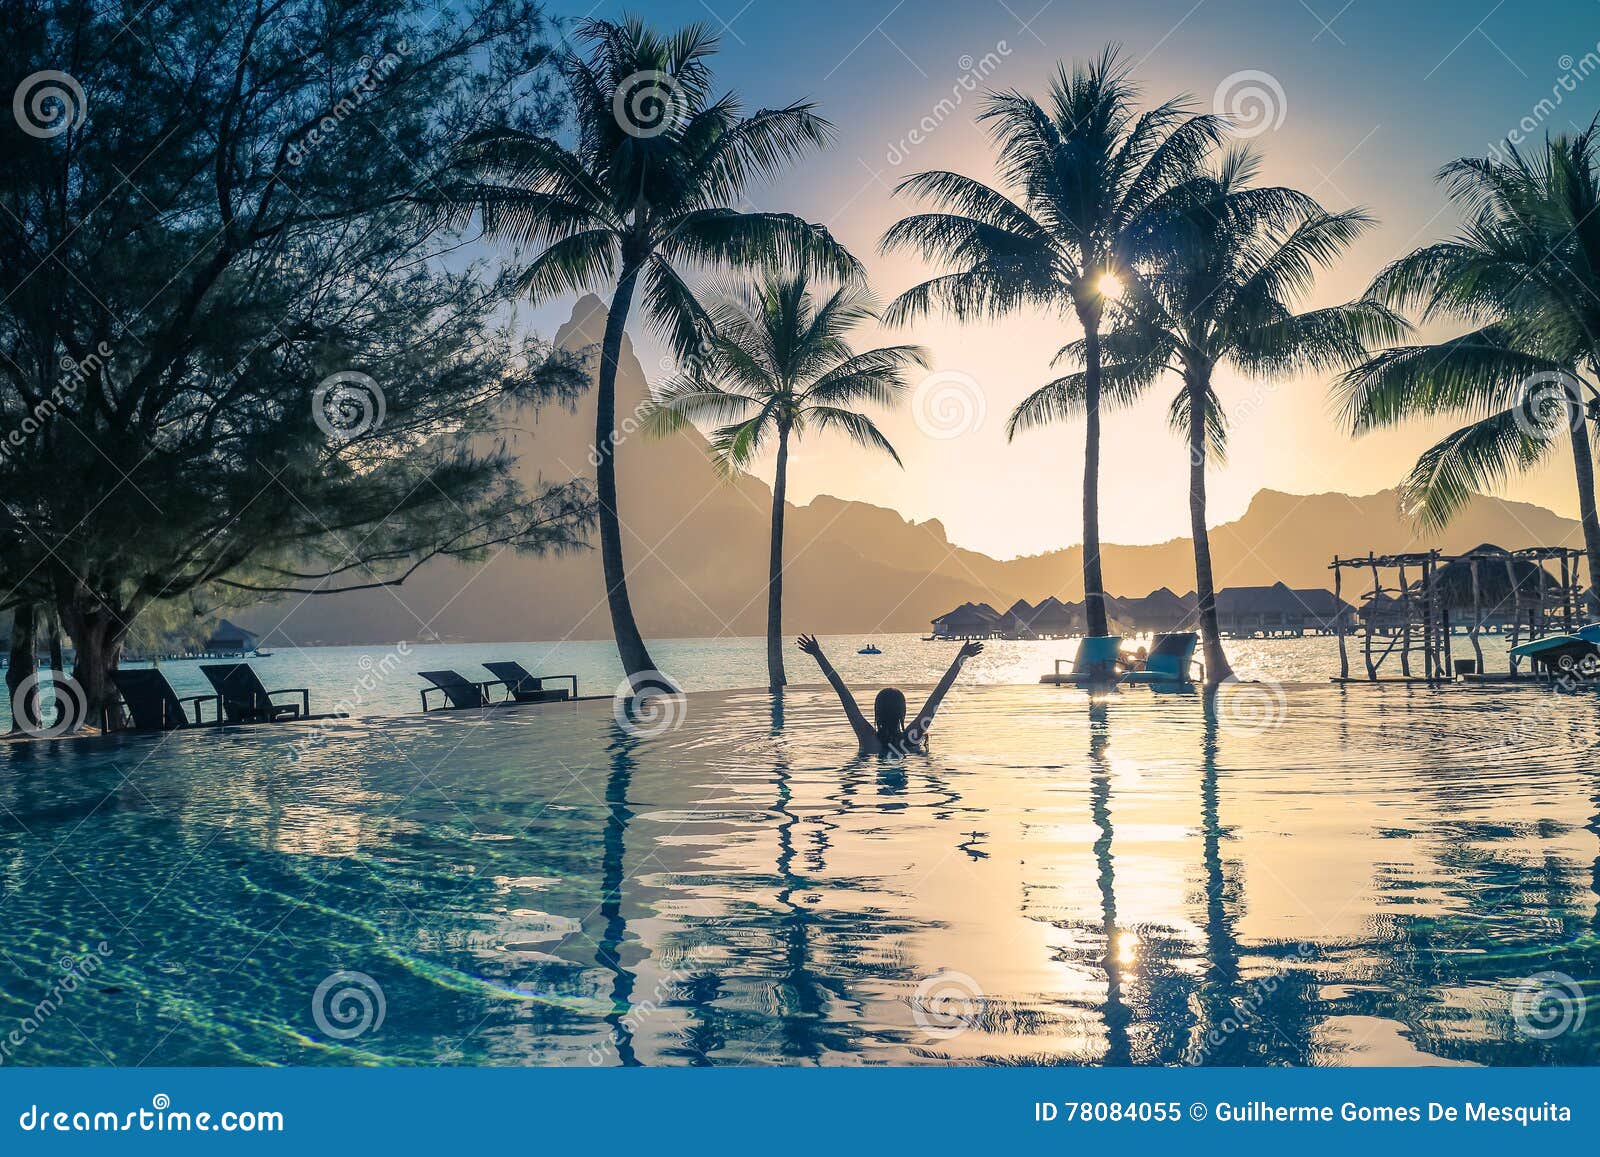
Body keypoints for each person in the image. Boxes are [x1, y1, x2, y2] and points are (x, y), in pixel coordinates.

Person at [796, 634, 983, 754]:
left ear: (877, 713)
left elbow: (842, 693)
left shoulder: (867, 737)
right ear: (903, 713)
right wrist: (962, 657)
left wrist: (818, 654)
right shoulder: (913, 735)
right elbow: (939, 694)